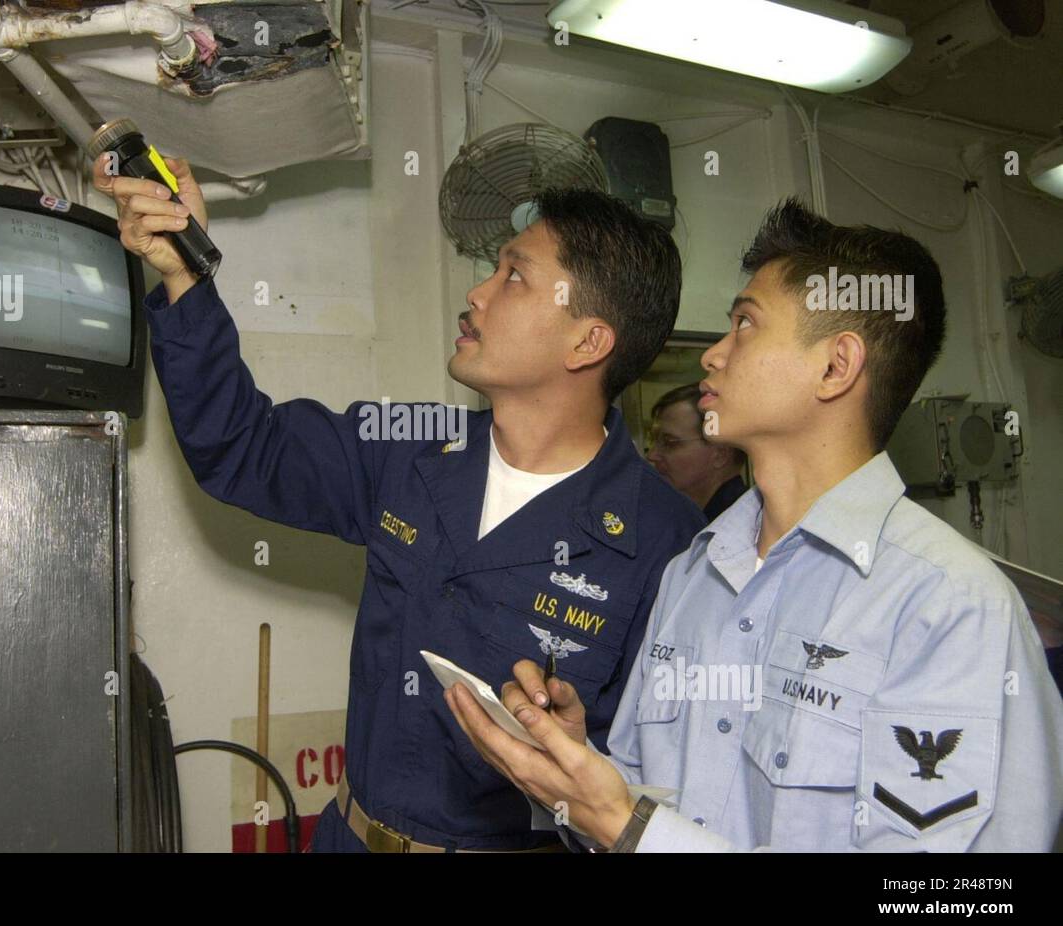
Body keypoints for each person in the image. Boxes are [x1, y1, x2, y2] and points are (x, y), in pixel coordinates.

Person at [93, 154, 706, 852]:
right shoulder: (409, 449)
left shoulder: (670, 546)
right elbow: (242, 446)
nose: (476, 294)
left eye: (513, 276)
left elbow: (666, 785)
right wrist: (184, 274)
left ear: (588, 341)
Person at [448, 197, 1063, 852]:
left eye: (744, 324)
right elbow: (640, 806)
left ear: (836, 366)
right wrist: (581, 772)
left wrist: (629, 829)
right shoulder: (694, 573)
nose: (713, 355)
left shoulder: (948, 606)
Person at [646, 383, 747, 521]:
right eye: (653, 440)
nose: (652, 455)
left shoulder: (742, 527)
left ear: (720, 455)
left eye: (669, 443)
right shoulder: (692, 518)